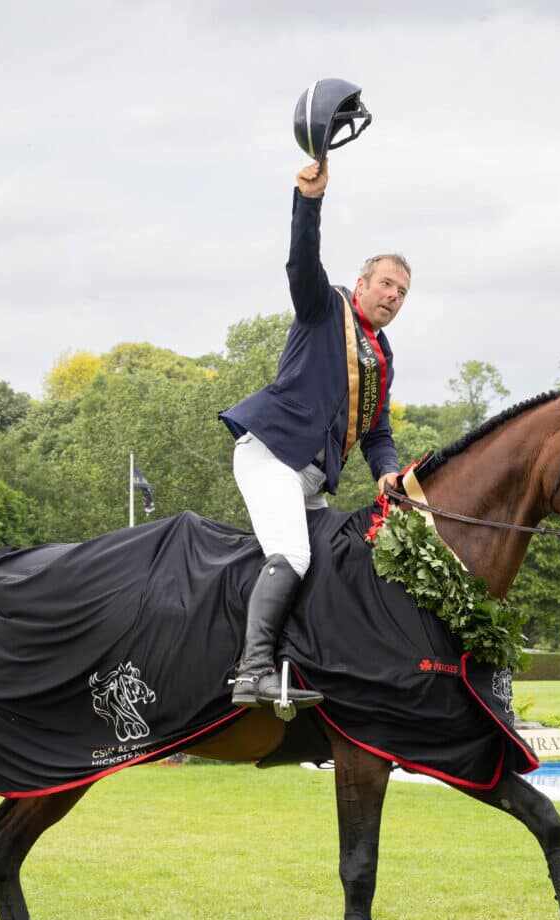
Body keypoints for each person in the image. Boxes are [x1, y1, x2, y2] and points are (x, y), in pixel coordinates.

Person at [218, 158, 404, 709]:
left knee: (331, 562)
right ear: (363, 283)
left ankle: (300, 662)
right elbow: (303, 262)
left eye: (402, 292)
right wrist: (309, 199)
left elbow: (378, 433)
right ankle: (252, 673)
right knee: (294, 555)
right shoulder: (326, 307)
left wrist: (388, 471)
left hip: (311, 479)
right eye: (387, 283)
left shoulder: (383, 355)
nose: (393, 295)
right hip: (271, 453)